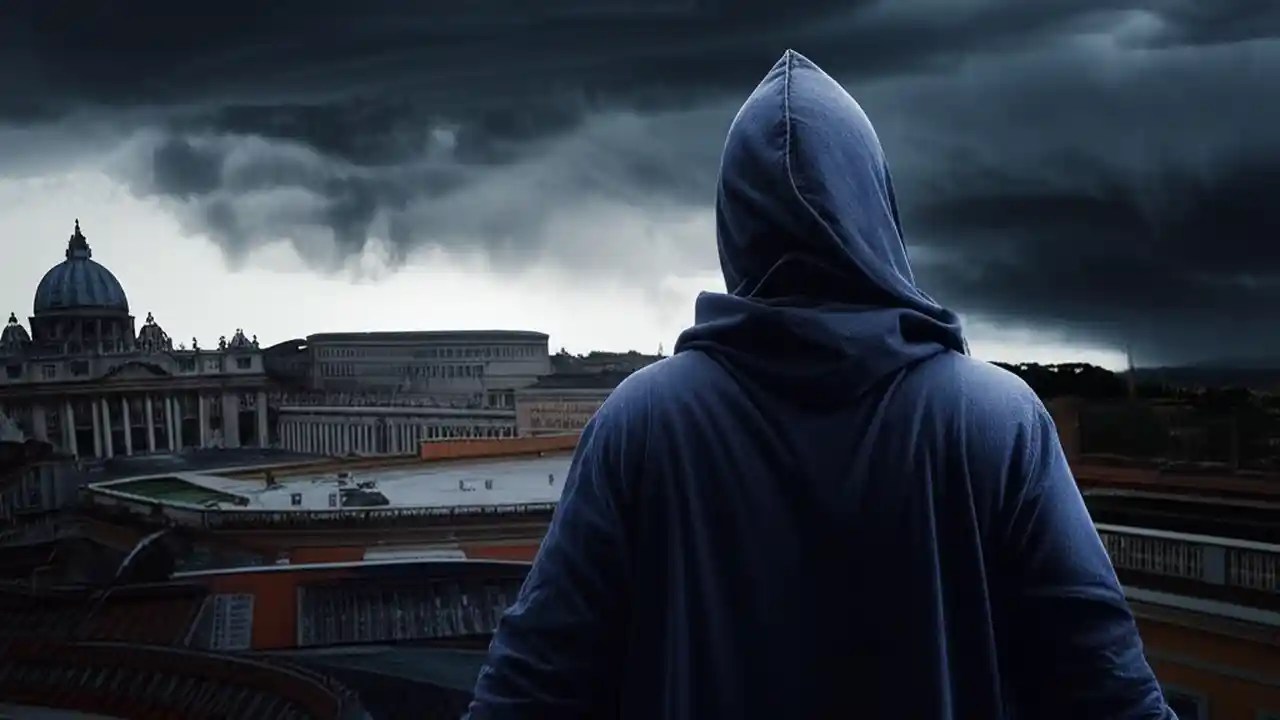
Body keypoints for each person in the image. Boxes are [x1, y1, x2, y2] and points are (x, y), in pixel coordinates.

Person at [466, 50, 1174, 719]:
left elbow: (529, 690)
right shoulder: (998, 422)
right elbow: (1109, 691)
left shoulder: (642, 424)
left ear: (733, 224)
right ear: (879, 210)